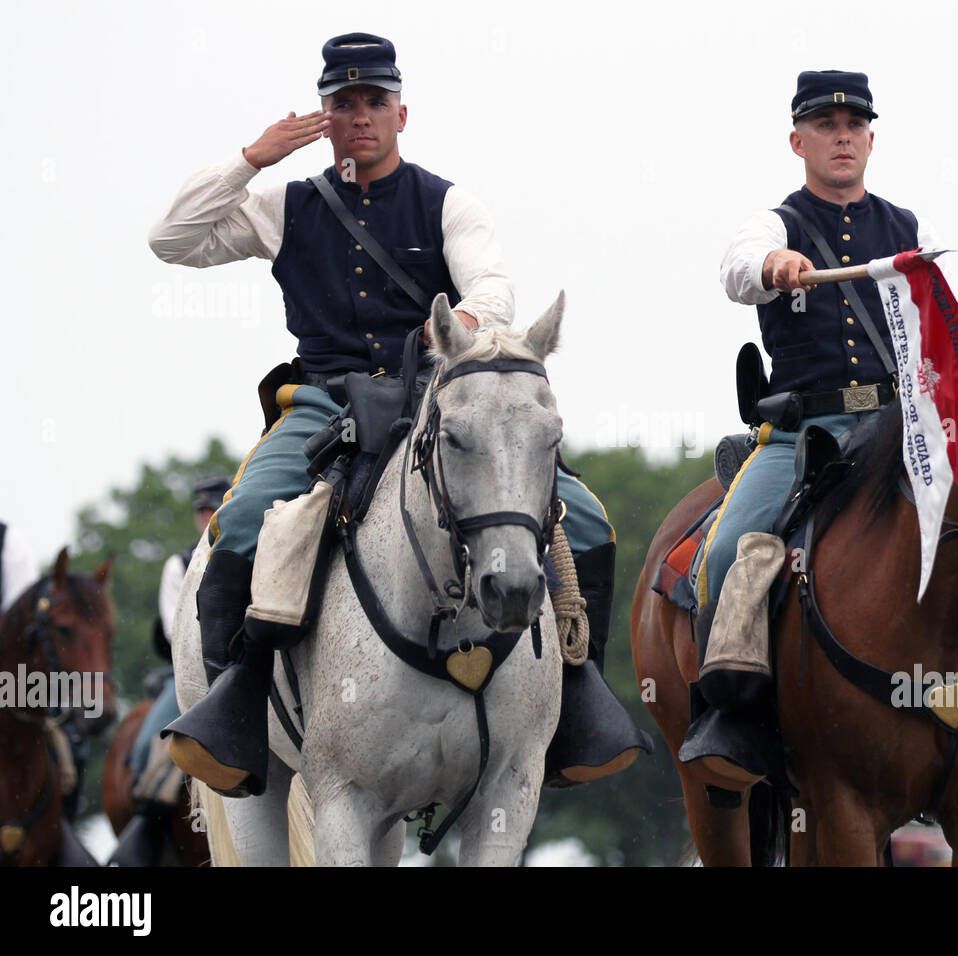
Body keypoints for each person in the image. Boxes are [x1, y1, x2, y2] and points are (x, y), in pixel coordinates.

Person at [148, 32, 648, 798]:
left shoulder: (449, 201)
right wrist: (252, 157)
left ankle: (577, 703)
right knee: (244, 520)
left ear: (401, 113)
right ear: (322, 114)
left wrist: (467, 328)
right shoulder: (287, 204)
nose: (359, 117)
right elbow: (170, 238)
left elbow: (493, 288)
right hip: (324, 401)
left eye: (374, 102)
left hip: (434, 398)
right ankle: (236, 708)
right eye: (342, 104)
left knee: (585, 523)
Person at [679, 70, 938, 786]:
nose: (842, 135)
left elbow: (944, 322)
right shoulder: (775, 223)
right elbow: (737, 270)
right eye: (826, 124)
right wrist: (773, 264)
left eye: (854, 124)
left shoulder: (910, 230)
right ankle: (727, 714)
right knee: (728, 546)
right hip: (803, 434)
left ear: (872, 139)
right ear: (798, 140)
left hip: (899, 431)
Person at [108, 477, 228, 866]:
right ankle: (147, 835)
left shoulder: (251, 551)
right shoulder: (177, 565)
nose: (207, 515)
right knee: (145, 747)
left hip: (243, 666)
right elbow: (175, 631)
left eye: (214, 507)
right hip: (190, 672)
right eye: (202, 510)